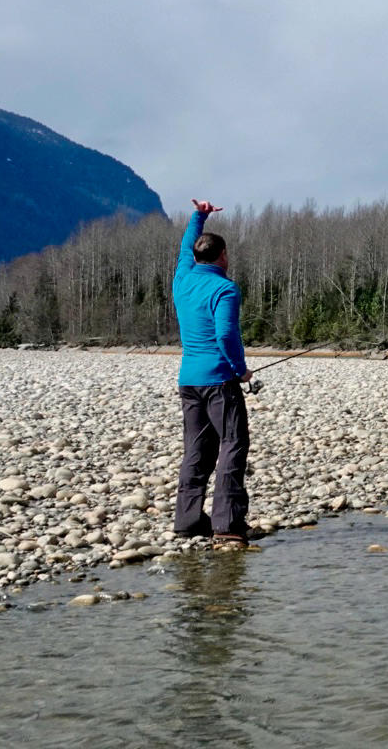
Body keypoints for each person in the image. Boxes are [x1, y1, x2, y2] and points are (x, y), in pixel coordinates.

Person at [171, 199, 253, 548]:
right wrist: (241, 370)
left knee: (196, 450)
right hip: (220, 380)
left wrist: (198, 216)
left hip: (189, 381)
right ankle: (227, 525)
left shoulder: (182, 279)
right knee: (233, 445)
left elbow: (184, 247)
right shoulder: (225, 288)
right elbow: (225, 335)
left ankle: (188, 521)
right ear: (222, 256)